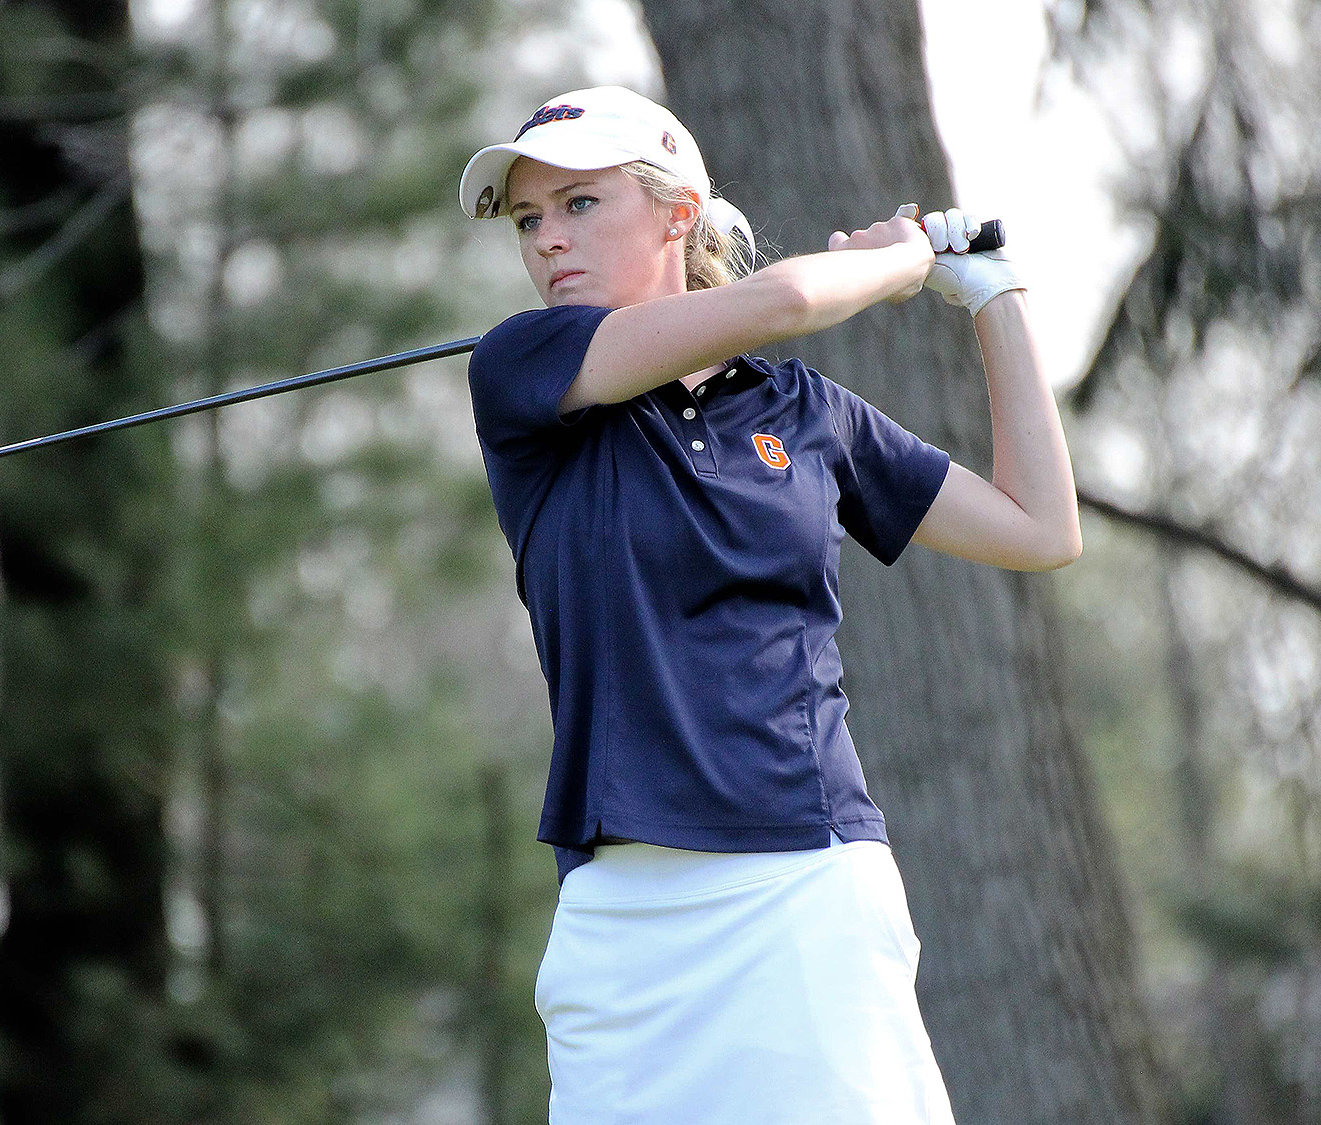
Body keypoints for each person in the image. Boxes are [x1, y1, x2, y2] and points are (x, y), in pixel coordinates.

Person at [458, 86, 1080, 1125]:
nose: (546, 243)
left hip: (808, 885)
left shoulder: (802, 413)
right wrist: (903, 260)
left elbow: (1038, 527)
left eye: (578, 205)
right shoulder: (524, 368)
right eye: (529, 220)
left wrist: (988, 293)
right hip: (622, 915)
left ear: (675, 213)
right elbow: (788, 298)